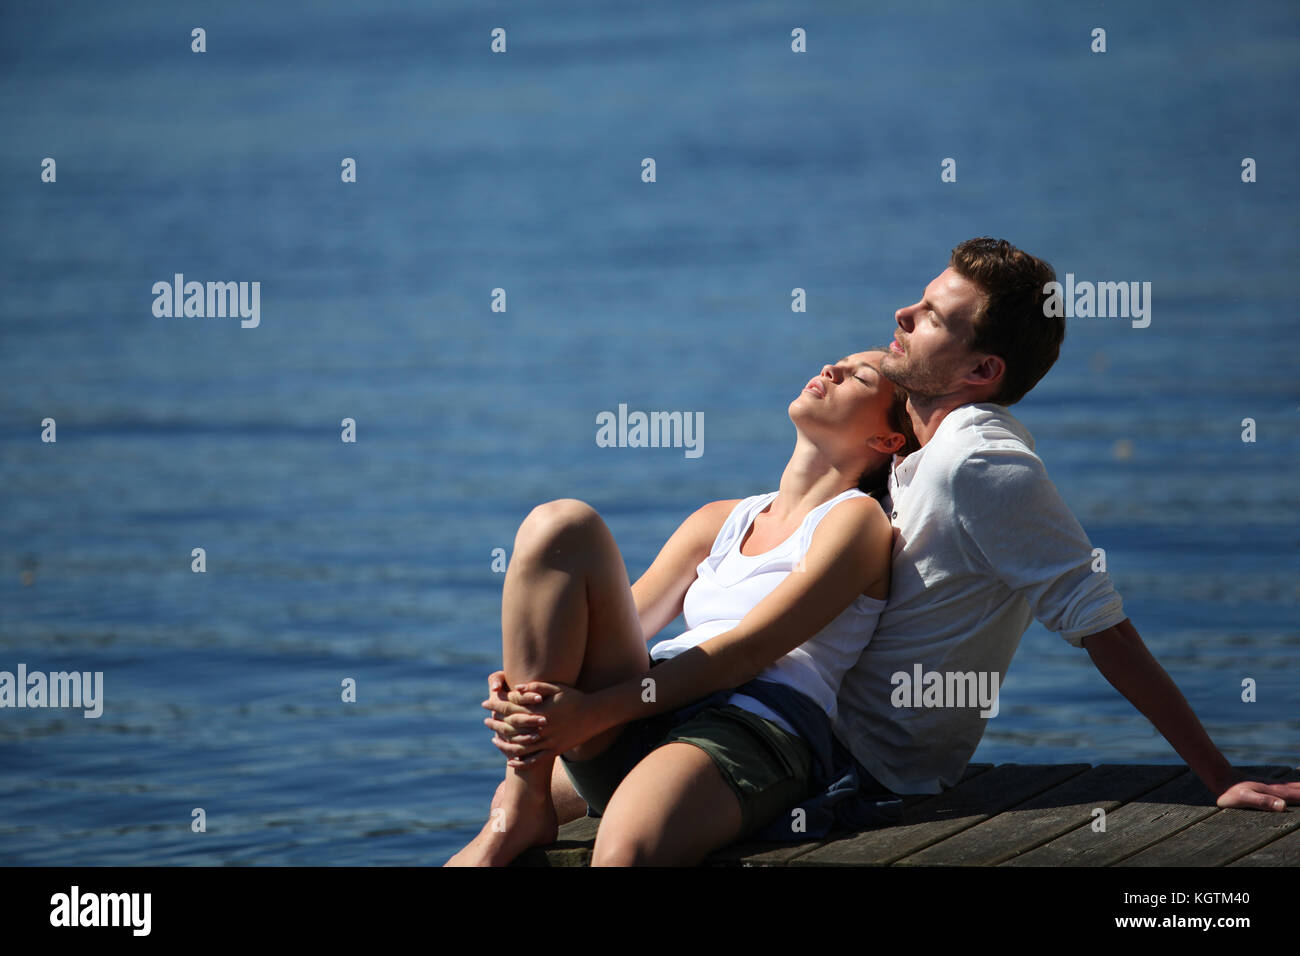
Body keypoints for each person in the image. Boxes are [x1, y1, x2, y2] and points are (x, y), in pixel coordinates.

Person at [488, 237, 1299, 850]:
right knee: (528, 809)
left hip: (841, 755)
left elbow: (1101, 623)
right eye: (916, 302)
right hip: (737, 708)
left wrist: (1216, 775)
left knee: (621, 832)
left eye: (932, 318)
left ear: (982, 368)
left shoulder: (979, 461)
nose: (902, 319)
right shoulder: (910, 454)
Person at [445, 350, 917, 866]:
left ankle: (531, 801)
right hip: (650, 698)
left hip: (751, 722)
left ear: (887, 441)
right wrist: (522, 684)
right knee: (559, 525)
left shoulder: (857, 522)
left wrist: (591, 713)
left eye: (859, 377)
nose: (832, 370)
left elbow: (747, 652)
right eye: (838, 363)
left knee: (622, 851)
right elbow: (627, 619)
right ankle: (521, 801)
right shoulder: (720, 520)